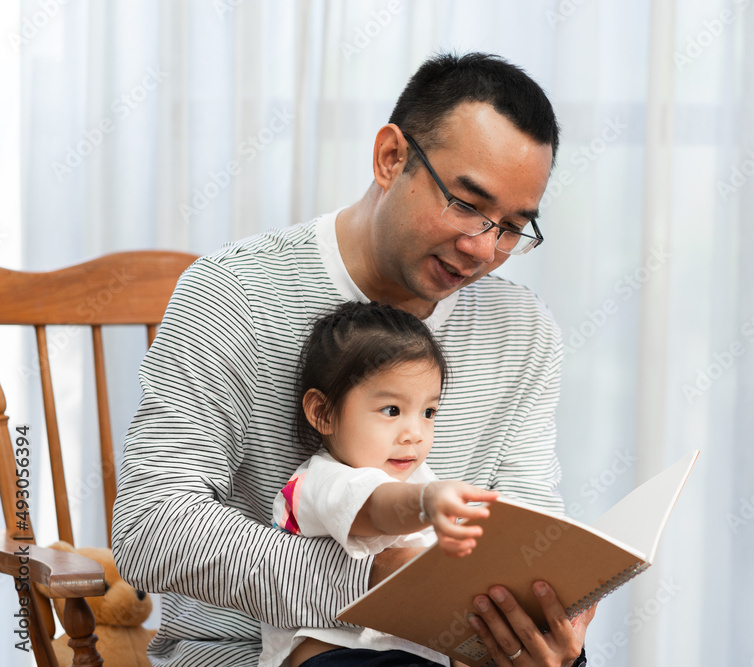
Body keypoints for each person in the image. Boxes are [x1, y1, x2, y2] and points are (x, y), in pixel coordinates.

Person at [113, 51, 594, 666]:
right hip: (245, 652)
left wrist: (547, 623)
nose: (482, 247)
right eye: (467, 205)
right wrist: (380, 584)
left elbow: (530, 525)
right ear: (391, 157)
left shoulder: (522, 331)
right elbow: (152, 528)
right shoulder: (236, 293)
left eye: (512, 227)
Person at [259, 301, 498, 667]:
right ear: (323, 412)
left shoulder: (421, 479)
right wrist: (428, 503)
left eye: (428, 412)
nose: (415, 434)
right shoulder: (316, 482)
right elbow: (378, 507)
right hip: (334, 653)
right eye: (392, 411)